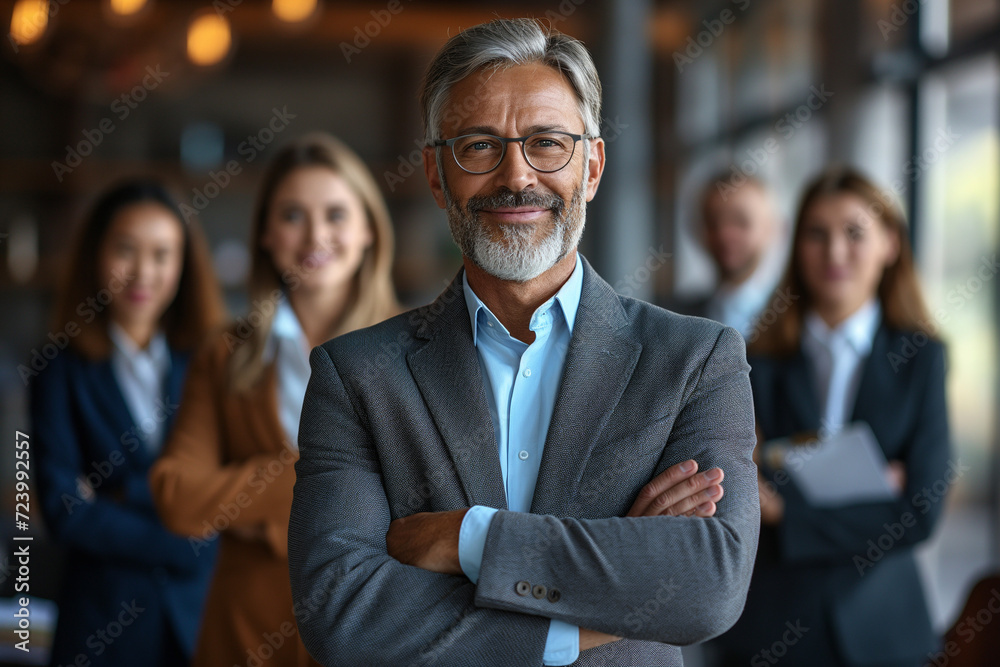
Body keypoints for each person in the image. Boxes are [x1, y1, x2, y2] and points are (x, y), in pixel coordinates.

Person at [289, 18, 760, 667]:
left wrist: (468, 535)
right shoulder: (357, 375)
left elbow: (708, 588)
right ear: (435, 173)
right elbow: (341, 614)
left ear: (592, 166)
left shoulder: (696, 360)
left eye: (547, 144)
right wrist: (606, 583)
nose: (516, 176)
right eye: (479, 146)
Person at [149, 132, 399, 667]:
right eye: (292, 215)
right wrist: (305, 476)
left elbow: (437, 514)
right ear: (265, 232)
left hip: (377, 633)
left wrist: (251, 513)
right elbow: (176, 496)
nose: (315, 235)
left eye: (335, 214)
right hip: (244, 633)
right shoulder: (226, 355)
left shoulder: (420, 352)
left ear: (368, 230)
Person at [715, 167, 951, 666]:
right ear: (797, 247)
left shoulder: (922, 359)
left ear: (890, 243)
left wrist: (788, 513)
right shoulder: (752, 359)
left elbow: (921, 512)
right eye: (816, 234)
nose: (835, 252)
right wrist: (874, 498)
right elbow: (739, 492)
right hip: (769, 622)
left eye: (855, 233)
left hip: (883, 628)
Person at [30, 180, 225, 666]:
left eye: (162, 254)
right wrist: (184, 540)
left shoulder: (213, 362)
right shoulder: (58, 369)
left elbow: (231, 494)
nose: (143, 272)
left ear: (183, 265)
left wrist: (122, 494)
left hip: (200, 622)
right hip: (101, 629)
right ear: (96, 256)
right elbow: (64, 511)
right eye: (125, 250)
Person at [671, 173, 781, 339]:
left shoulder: (797, 321)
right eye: (713, 221)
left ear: (770, 229)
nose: (725, 234)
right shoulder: (674, 319)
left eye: (740, 221)